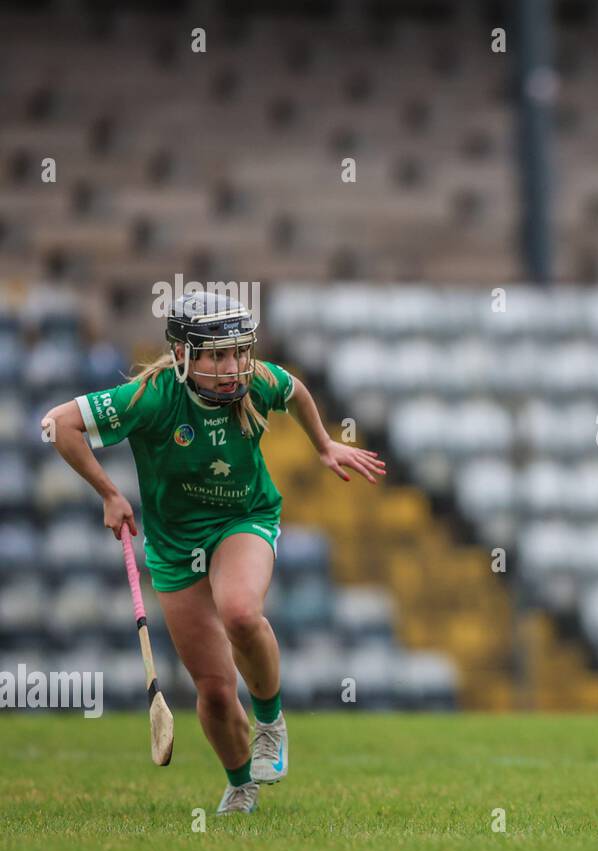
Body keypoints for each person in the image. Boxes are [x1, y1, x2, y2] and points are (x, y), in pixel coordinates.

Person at [44, 291, 386, 814]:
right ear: (183, 354)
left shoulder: (257, 382)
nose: (233, 368)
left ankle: (270, 723)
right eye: (217, 356)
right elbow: (58, 424)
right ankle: (240, 784)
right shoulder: (151, 398)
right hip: (174, 545)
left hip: (242, 519)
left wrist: (323, 444)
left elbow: (294, 390)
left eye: (239, 353)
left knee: (241, 613)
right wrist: (109, 494)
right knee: (216, 691)